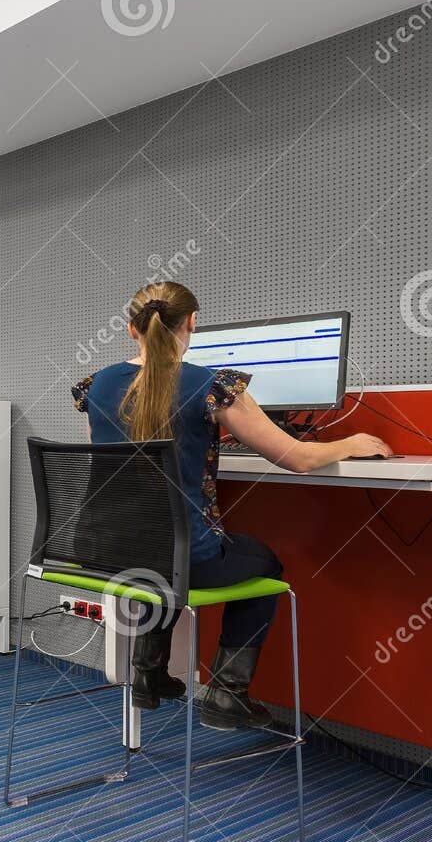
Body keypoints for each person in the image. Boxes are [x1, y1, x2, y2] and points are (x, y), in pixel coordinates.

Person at [73, 282, 390, 729]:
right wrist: (350, 442)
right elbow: (298, 459)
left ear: (131, 330)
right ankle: (227, 693)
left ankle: (148, 672)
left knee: (161, 552)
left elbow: (113, 470)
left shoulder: (99, 385)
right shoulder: (210, 386)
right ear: (192, 323)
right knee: (264, 561)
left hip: (103, 553)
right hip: (178, 560)